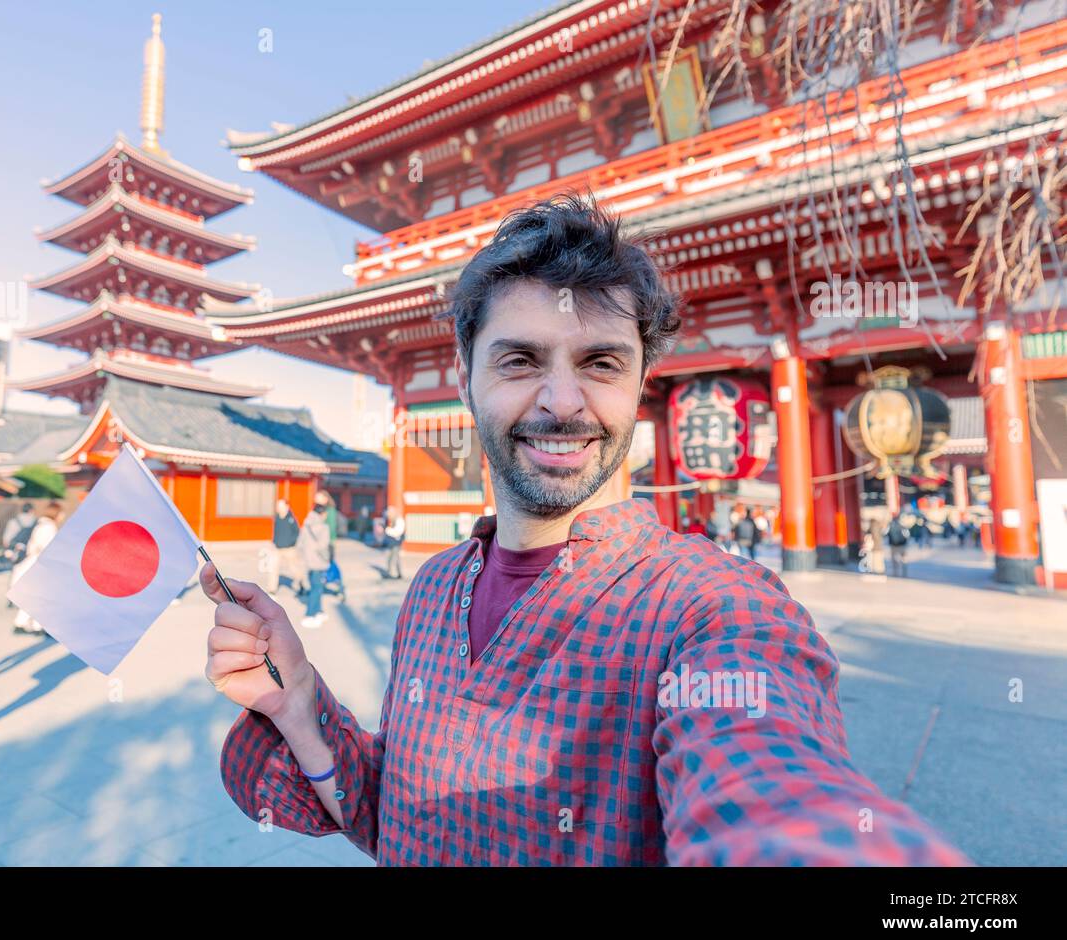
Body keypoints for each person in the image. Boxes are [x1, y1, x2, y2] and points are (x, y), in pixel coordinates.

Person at [199, 195, 966, 866]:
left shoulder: (707, 607)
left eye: (600, 362)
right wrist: (297, 697)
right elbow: (395, 824)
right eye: (522, 359)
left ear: (639, 384)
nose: (563, 401)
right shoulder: (433, 589)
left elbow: (766, 786)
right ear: (466, 377)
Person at [11, 502, 62, 635]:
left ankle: (23, 623)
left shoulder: (39, 523)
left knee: (34, 597)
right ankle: (37, 626)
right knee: (41, 597)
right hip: (40, 566)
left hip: (30, 564)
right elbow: (48, 548)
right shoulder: (49, 526)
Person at [296, 491, 332, 628]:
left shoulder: (306, 523)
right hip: (319, 562)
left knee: (314, 586)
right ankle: (310, 614)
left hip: (309, 561)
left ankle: (318, 611)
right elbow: (323, 548)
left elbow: (300, 543)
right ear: (323, 513)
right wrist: (327, 559)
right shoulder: (324, 527)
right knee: (317, 589)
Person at [267, 499, 306, 595]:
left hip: (289, 549)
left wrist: (291, 542)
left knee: (294, 569)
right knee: (273, 568)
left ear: (286, 507)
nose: (278, 508)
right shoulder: (276, 518)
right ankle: (272, 589)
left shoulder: (291, 518)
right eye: (277, 506)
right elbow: (275, 531)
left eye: (280, 506)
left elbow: (297, 532)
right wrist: (274, 542)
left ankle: (301, 583)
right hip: (277, 548)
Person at [381, 507, 405, 580]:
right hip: (392, 542)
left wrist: (387, 529)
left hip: (396, 542)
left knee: (393, 558)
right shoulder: (393, 520)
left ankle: (391, 573)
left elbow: (397, 532)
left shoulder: (399, 520)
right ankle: (398, 573)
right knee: (394, 558)